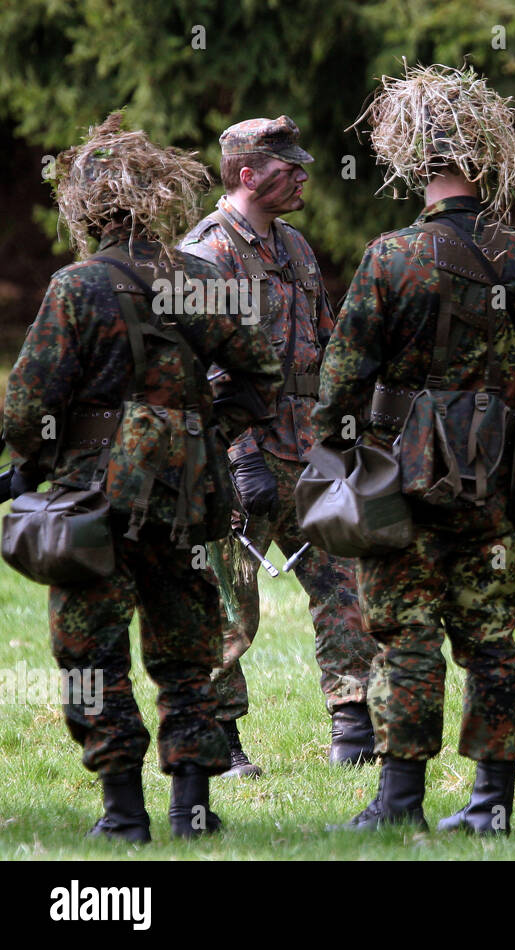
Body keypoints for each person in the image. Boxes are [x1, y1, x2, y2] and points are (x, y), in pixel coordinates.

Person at [3, 114, 281, 840]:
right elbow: (262, 374)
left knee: (90, 651)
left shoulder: (77, 287)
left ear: (88, 212)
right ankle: (192, 808)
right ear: (154, 201)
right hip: (189, 499)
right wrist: (203, 433)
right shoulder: (196, 277)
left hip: (98, 503)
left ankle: (124, 814)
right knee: (189, 652)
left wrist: (32, 468)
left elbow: (26, 410)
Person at [314, 64, 515, 834]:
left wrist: (339, 453)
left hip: (404, 479)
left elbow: (343, 375)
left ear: (416, 168)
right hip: (493, 480)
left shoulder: (391, 256)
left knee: (406, 634)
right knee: (492, 640)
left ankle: (399, 805)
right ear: (485, 164)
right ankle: (492, 803)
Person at [181, 115, 380, 776]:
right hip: (241, 455)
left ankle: (352, 724)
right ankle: (220, 743)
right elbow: (200, 370)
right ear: (247, 175)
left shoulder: (294, 247)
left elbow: (325, 344)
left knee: (342, 582)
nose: (302, 174)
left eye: (301, 163)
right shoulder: (209, 252)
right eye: (287, 166)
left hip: (307, 449)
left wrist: (343, 433)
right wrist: (238, 458)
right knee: (228, 599)